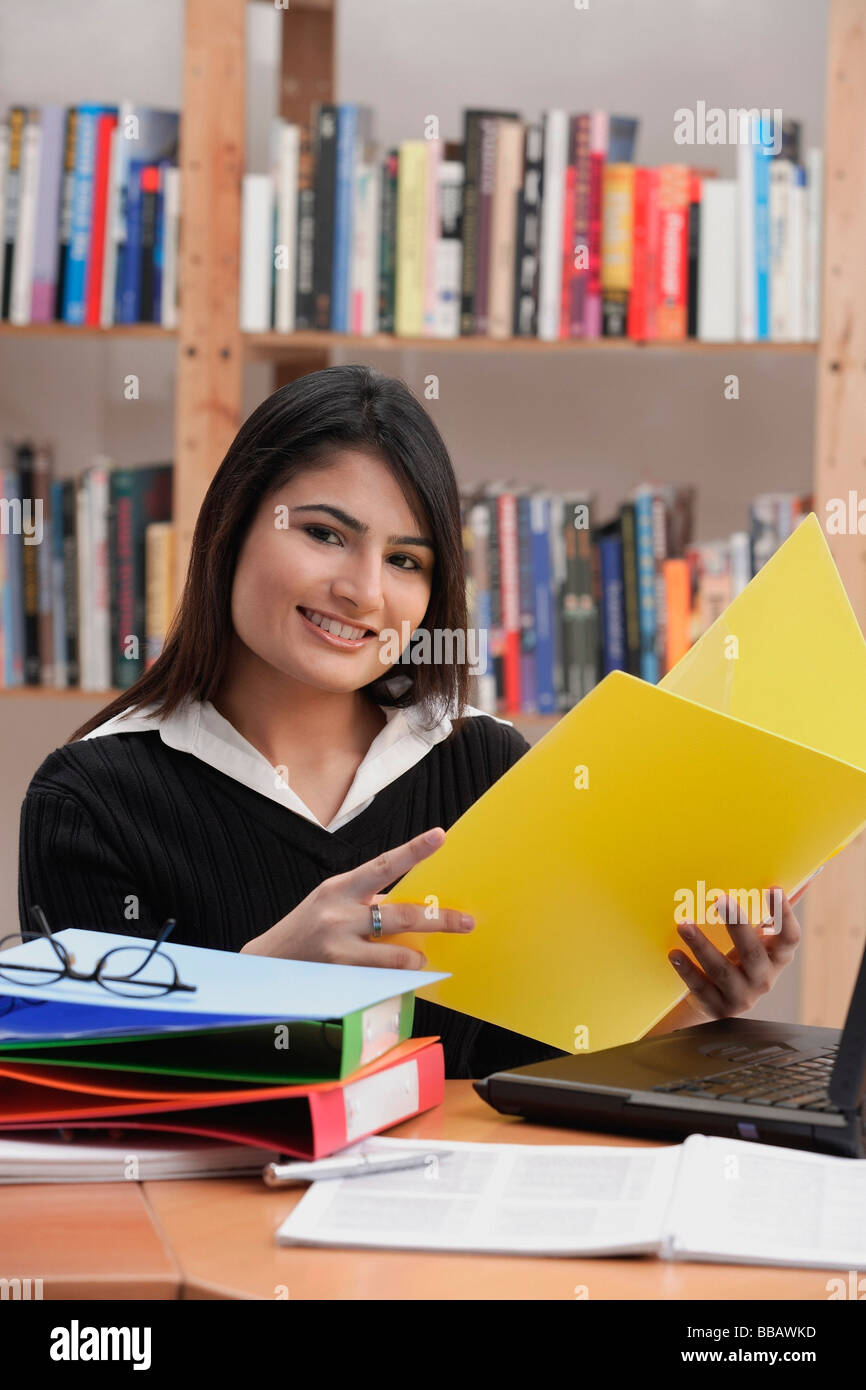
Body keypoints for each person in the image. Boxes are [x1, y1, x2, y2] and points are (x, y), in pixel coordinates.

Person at [17, 365, 801, 1078]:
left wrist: (699, 1000)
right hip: (213, 1230)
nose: (363, 591)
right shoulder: (90, 801)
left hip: (453, 1226)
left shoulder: (487, 769)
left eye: (405, 561)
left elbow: (534, 1074)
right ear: (231, 528)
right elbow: (95, 1091)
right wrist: (263, 982)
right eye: (325, 534)